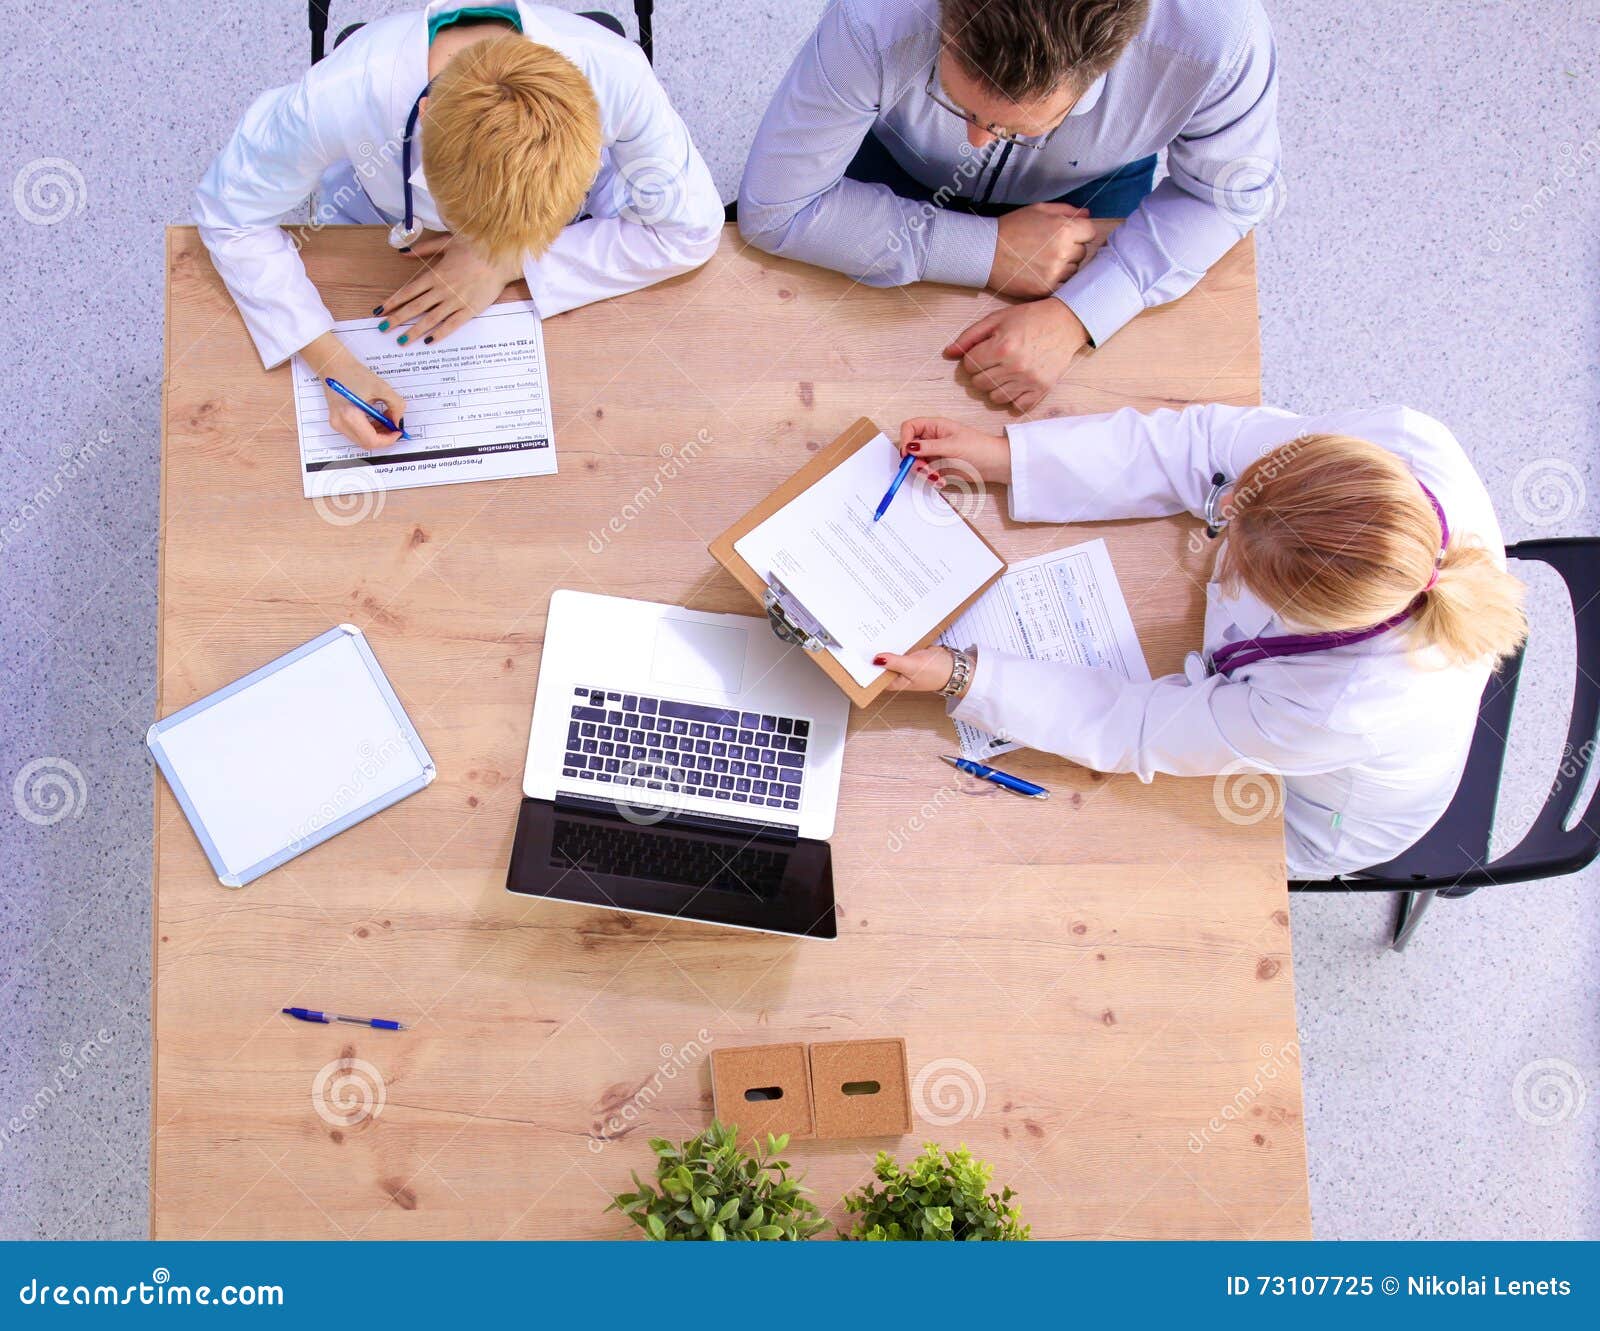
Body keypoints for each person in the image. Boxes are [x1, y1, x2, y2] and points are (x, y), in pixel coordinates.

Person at [873, 406, 1527, 879]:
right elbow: (1204, 442)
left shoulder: (1340, 703)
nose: (1218, 542)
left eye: (1240, 565)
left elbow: (1134, 726)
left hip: (1320, 808)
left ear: (1309, 618)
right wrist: (1010, 458)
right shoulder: (1396, 448)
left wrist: (962, 675)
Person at [194, 3, 723, 449]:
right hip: (378, 225)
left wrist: (506, 261)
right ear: (426, 116)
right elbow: (228, 212)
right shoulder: (340, 94)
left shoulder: (617, 75)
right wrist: (333, 365)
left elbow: (691, 230)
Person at [737, 0, 1280, 413]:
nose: (976, 142)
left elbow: (1224, 198)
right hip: (894, 163)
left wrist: (1079, 315)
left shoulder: (1222, 39)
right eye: (954, 103)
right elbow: (780, 208)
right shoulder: (875, 17)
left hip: (1088, 193)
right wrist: (988, 248)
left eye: (1007, 126)